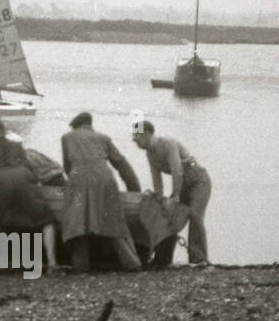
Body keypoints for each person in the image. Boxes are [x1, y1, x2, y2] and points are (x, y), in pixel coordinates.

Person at [0, 121, 59, 272]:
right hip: (25, 176)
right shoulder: (17, 145)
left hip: (1, 178)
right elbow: (29, 166)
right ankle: (53, 264)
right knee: (46, 220)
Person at [60, 112, 142, 271]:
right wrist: (134, 189)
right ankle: (132, 264)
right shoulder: (103, 138)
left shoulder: (67, 137)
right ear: (90, 125)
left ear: (75, 126)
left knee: (77, 225)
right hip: (105, 179)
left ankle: (80, 266)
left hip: (78, 178)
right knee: (113, 223)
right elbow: (121, 163)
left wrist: (70, 183)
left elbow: (67, 166)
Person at [131, 120, 212, 266]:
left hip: (199, 181)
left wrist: (175, 195)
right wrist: (159, 197)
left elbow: (177, 170)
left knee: (195, 215)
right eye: (134, 136)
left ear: (148, 134)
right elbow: (156, 178)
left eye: (137, 136)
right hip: (183, 185)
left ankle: (198, 260)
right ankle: (163, 259)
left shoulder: (168, 144)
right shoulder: (150, 153)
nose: (134, 140)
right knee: (168, 216)